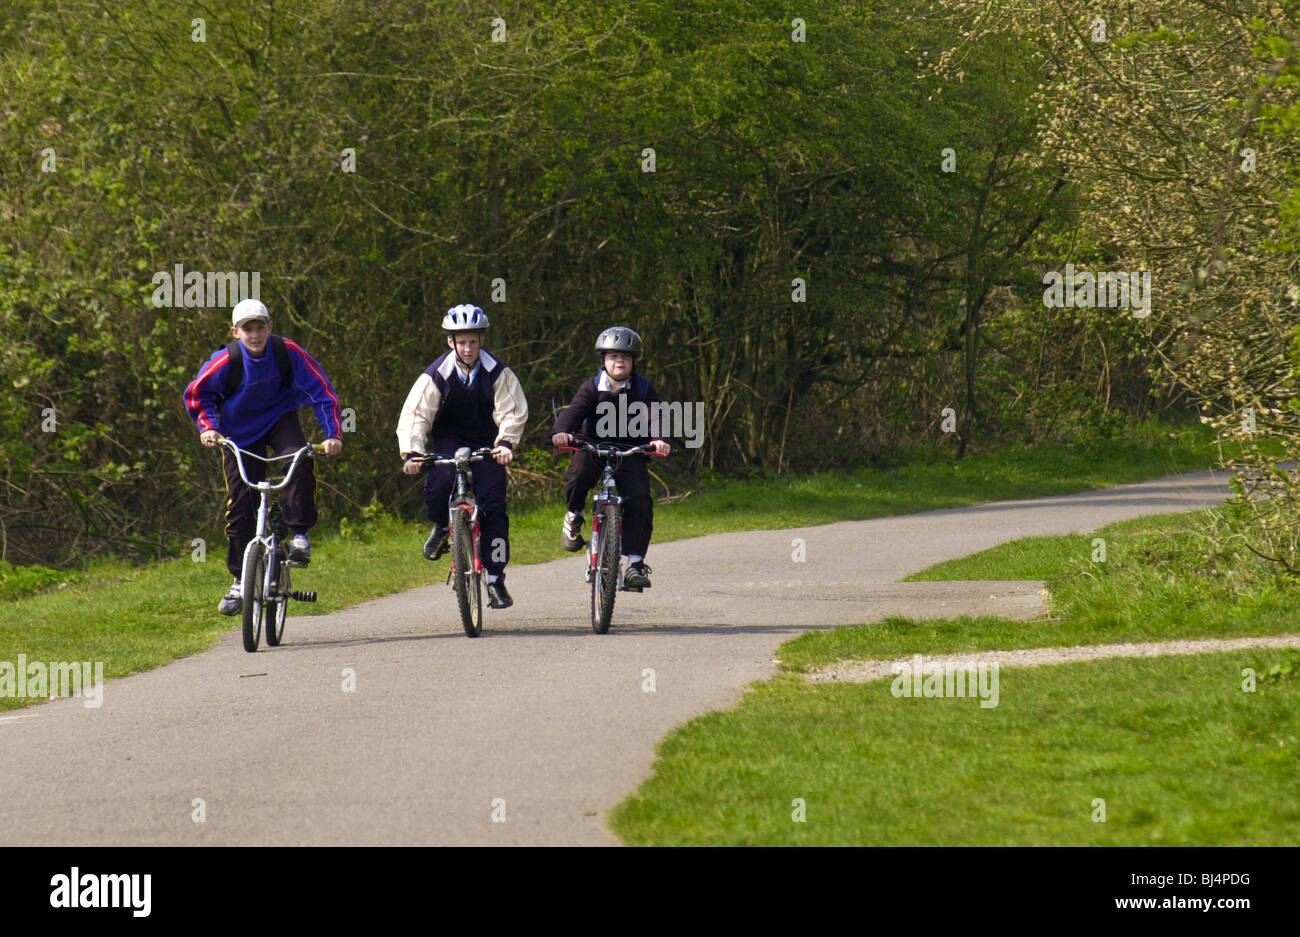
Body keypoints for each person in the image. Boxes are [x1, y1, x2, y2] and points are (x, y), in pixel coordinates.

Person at [184, 298, 343, 615]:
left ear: (270, 327)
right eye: (247, 329)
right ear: (235, 332)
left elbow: (323, 392)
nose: (254, 334)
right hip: (238, 433)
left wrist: (332, 434)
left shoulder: (288, 353)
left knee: (299, 459)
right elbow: (198, 394)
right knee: (240, 503)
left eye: (260, 327)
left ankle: (299, 535)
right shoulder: (224, 361)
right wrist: (208, 428)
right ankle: (238, 582)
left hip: (280, 420)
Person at [396, 304, 528, 609]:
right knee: (438, 482)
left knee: (494, 509)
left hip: (488, 444)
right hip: (448, 441)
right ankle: (443, 527)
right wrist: (414, 452)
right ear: (450, 342)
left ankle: (495, 578)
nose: (467, 348)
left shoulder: (498, 372)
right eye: (461, 342)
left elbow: (511, 411)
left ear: (481, 340)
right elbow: (416, 415)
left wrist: (506, 443)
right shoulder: (436, 375)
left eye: (472, 341)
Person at [550, 326, 670, 589]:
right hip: (593, 446)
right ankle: (574, 514)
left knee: (639, 497)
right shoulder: (592, 387)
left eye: (625, 357)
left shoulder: (643, 389)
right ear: (603, 359)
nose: (619, 361)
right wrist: (561, 432)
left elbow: (656, 415)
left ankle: (634, 563)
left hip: (629, 450)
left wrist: (659, 438)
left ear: (634, 361)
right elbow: (573, 412)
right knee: (578, 473)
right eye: (613, 356)